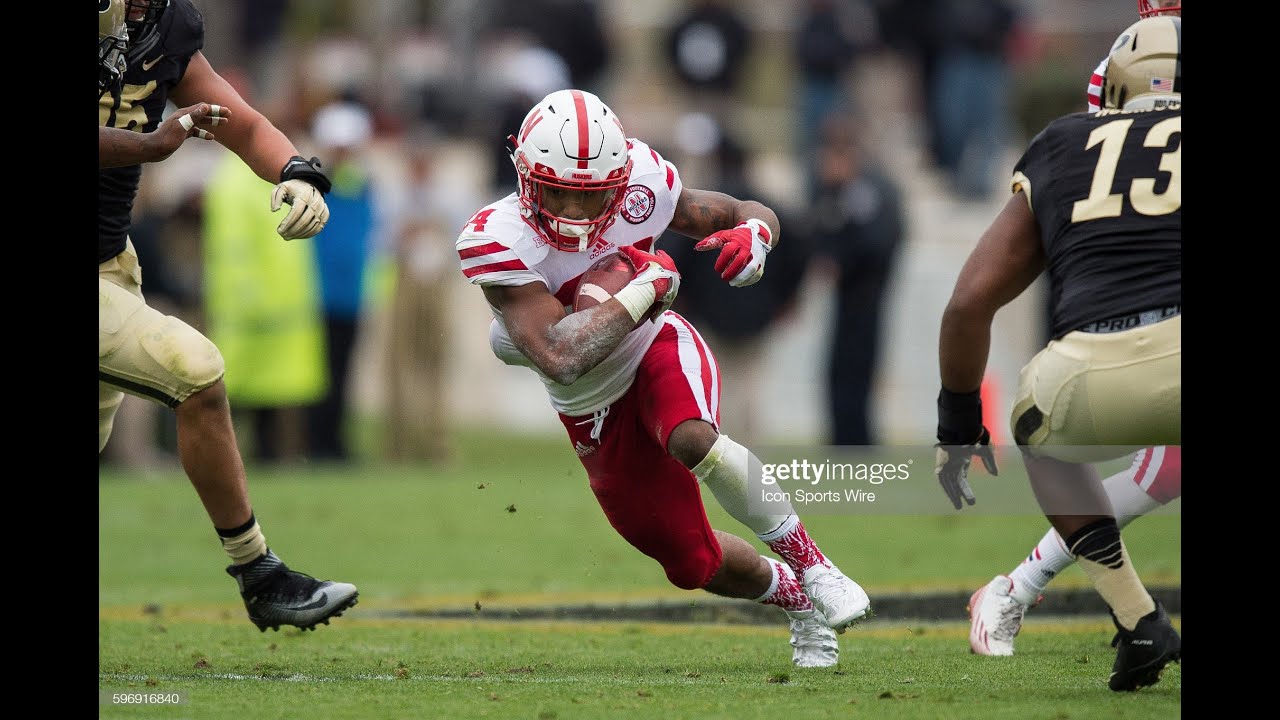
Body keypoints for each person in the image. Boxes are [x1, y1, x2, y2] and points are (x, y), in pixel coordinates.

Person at [457, 89, 871, 668]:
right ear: (526, 178)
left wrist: (757, 237)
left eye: (592, 196)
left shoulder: (643, 184)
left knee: (692, 437)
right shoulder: (497, 238)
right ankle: (797, 599)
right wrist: (643, 289)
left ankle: (814, 564)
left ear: (619, 180)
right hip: (588, 402)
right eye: (559, 194)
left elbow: (744, 210)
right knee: (691, 563)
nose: (576, 213)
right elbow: (560, 356)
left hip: (655, 346)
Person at [934, 15, 1180, 691]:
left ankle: (1138, 620)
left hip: (1098, 371)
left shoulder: (1066, 143)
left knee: (1039, 418)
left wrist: (957, 426)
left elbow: (967, 304)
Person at [99, 0, 357, 632]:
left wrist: (298, 170)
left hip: (110, 263)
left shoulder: (167, 27)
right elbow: (153, 138)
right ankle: (260, 574)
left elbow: (235, 121)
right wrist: (152, 144)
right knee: (196, 369)